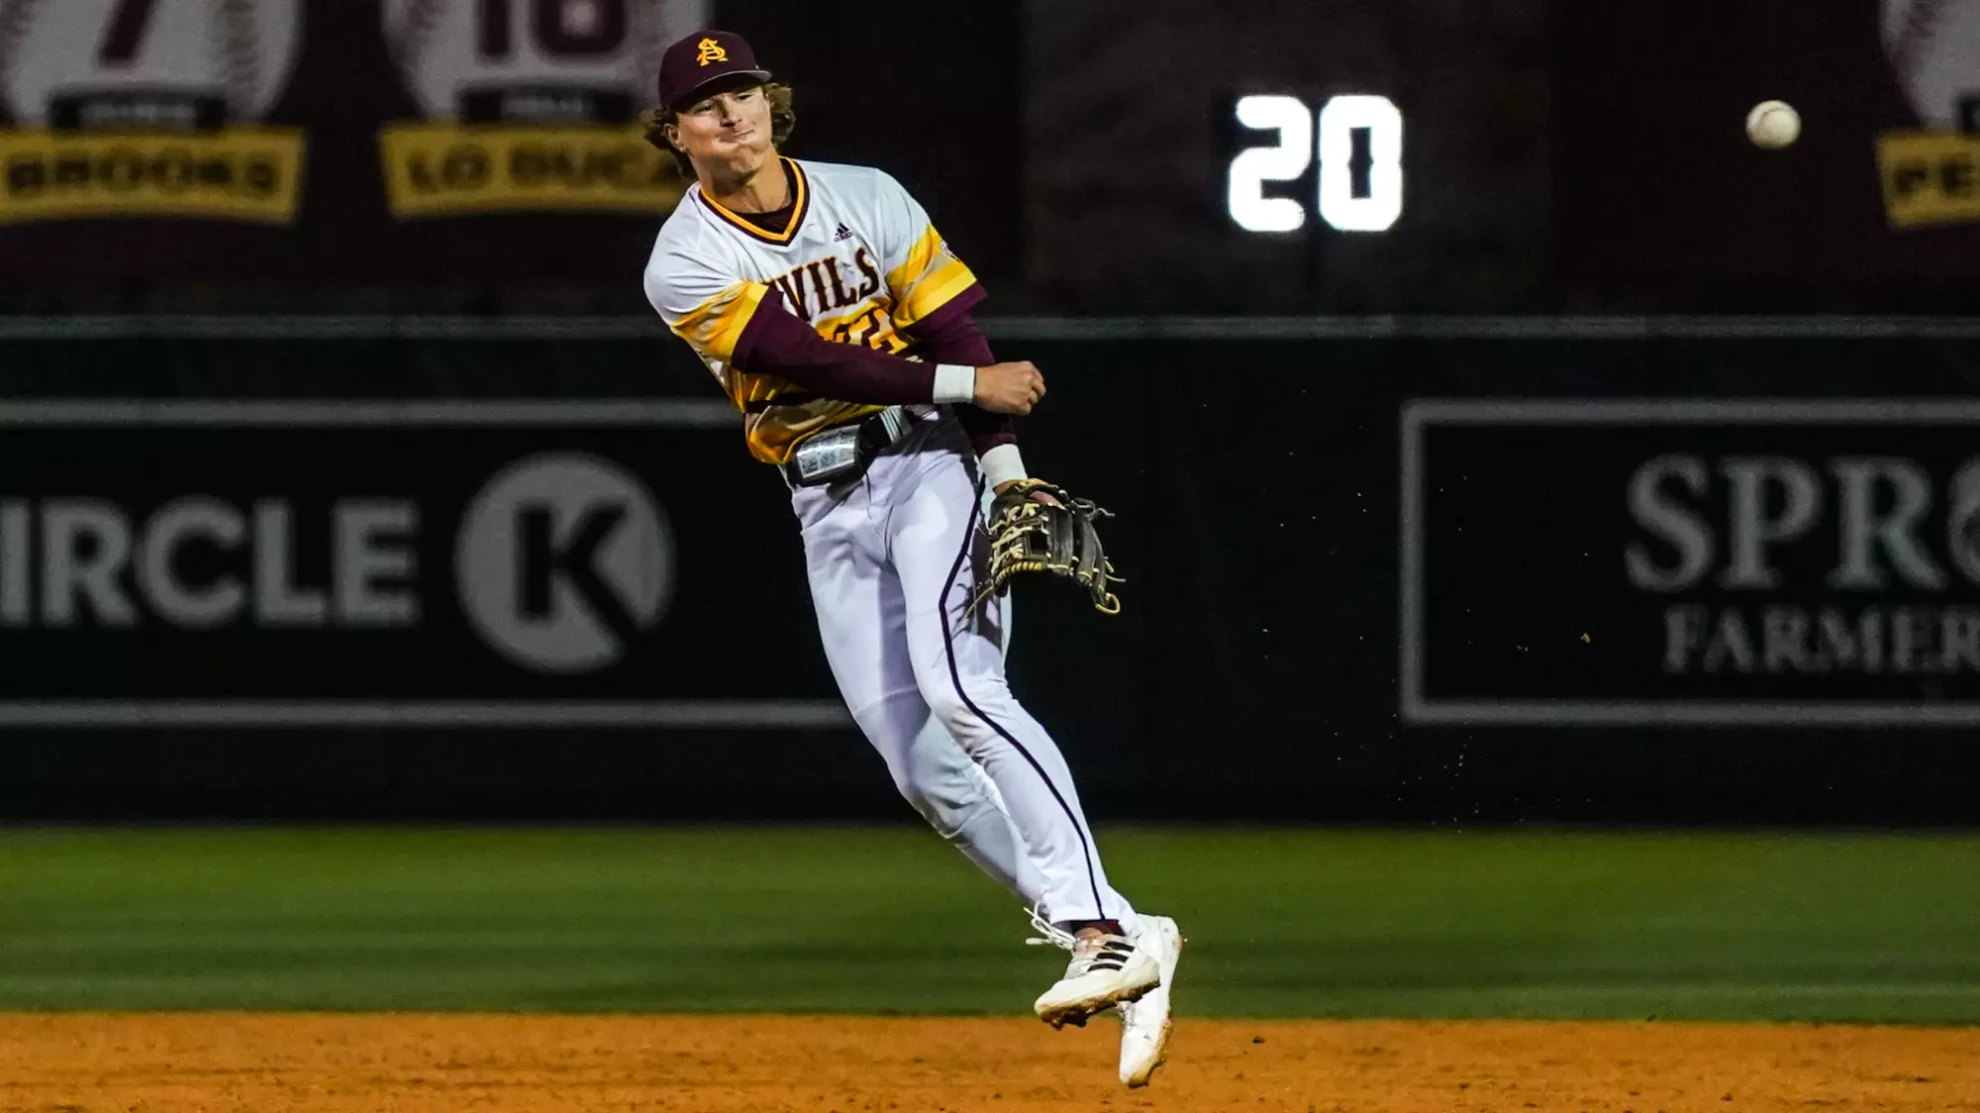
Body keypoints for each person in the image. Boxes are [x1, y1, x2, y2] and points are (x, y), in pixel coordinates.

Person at [638, 29, 1184, 1087]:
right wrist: (963, 392)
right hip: (824, 497)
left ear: (771, 103)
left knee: (961, 687)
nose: (730, 116)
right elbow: (792, 352)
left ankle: (1096, 933)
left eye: (743, 93)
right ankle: (1124, 928)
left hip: (929, 466)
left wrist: (1009, 473)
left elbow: (955, 332)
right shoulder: (683, 257)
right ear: (675, 134)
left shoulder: (867, 195)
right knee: (921, 765)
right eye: (705, 106)